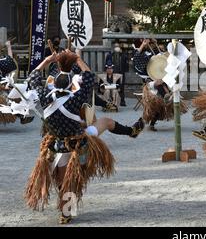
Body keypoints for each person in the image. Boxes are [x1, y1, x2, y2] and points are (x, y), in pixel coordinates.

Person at [25, 50, 144, 224]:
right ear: (69, 87)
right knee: (68, 181)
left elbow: (33, 76)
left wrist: (47, 60)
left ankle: (66, 214)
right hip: (77, 145)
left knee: (104, 122)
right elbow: (89, 77)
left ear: (53, 85)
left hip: (56, 145)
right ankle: (66, 211)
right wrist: (77, 59)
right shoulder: (75, 99)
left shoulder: (44, 97)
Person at [133, 38, 186, 131]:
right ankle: (139, 125)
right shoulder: (138, 57)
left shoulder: (149, 53)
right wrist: (143, 45)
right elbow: (138, 56)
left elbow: (161, 55)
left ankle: (151, 124)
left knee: (160, 107)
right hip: (150, 83)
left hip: (161, 80)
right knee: (153, 108)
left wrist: (155, 43)